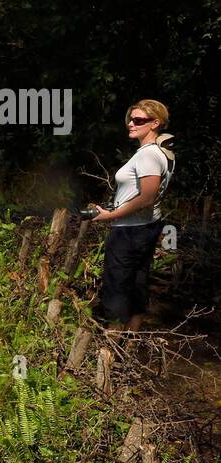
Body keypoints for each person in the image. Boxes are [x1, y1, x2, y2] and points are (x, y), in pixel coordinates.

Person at [89, 99, 174, 332]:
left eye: (138, 120)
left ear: (155, 123)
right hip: (145, 226)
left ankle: (111, 346)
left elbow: (147, 197)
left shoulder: (148, 155)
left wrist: (111, 215)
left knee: (116, 286)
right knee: (137, 280)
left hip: (129, 230)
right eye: (130, 119)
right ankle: (131, 345)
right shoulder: (157, 153)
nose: (131, 124)